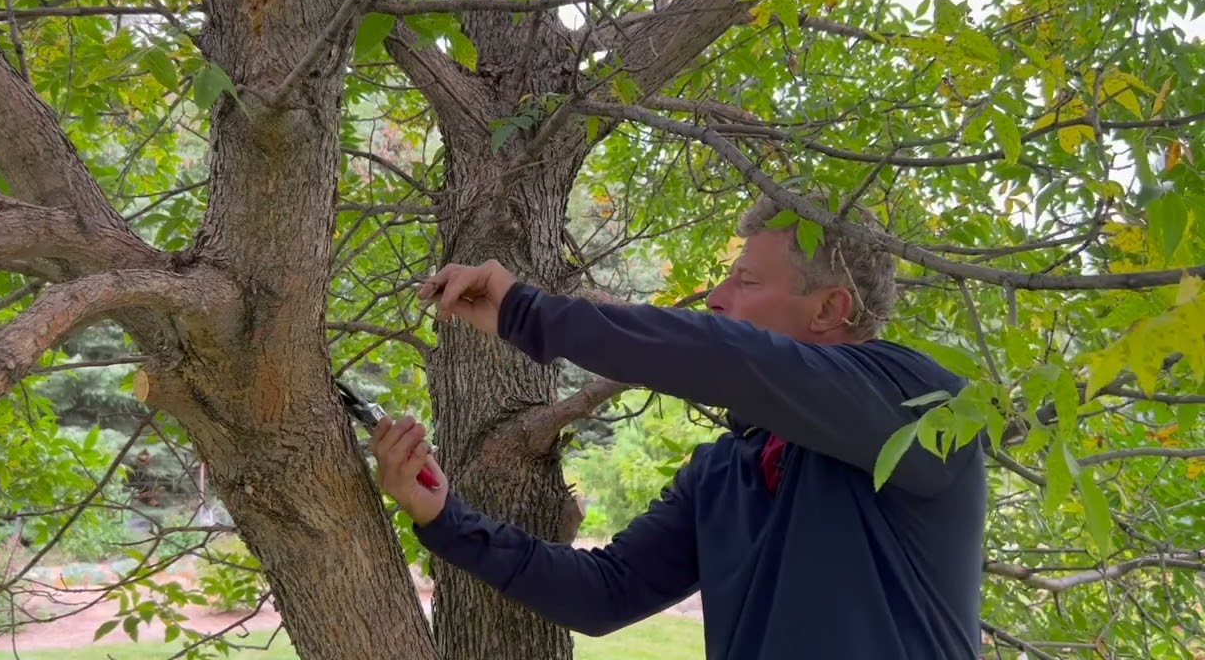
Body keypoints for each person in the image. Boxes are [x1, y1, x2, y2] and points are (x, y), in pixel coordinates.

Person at [370, 196, 986, 660]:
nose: (716, 297)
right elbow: (604, 592)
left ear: (829, 307)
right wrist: (443, 516)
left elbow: (726, 356)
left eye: (746, 281)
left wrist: (527, 312)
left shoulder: (924, 409)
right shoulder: (726, 470)